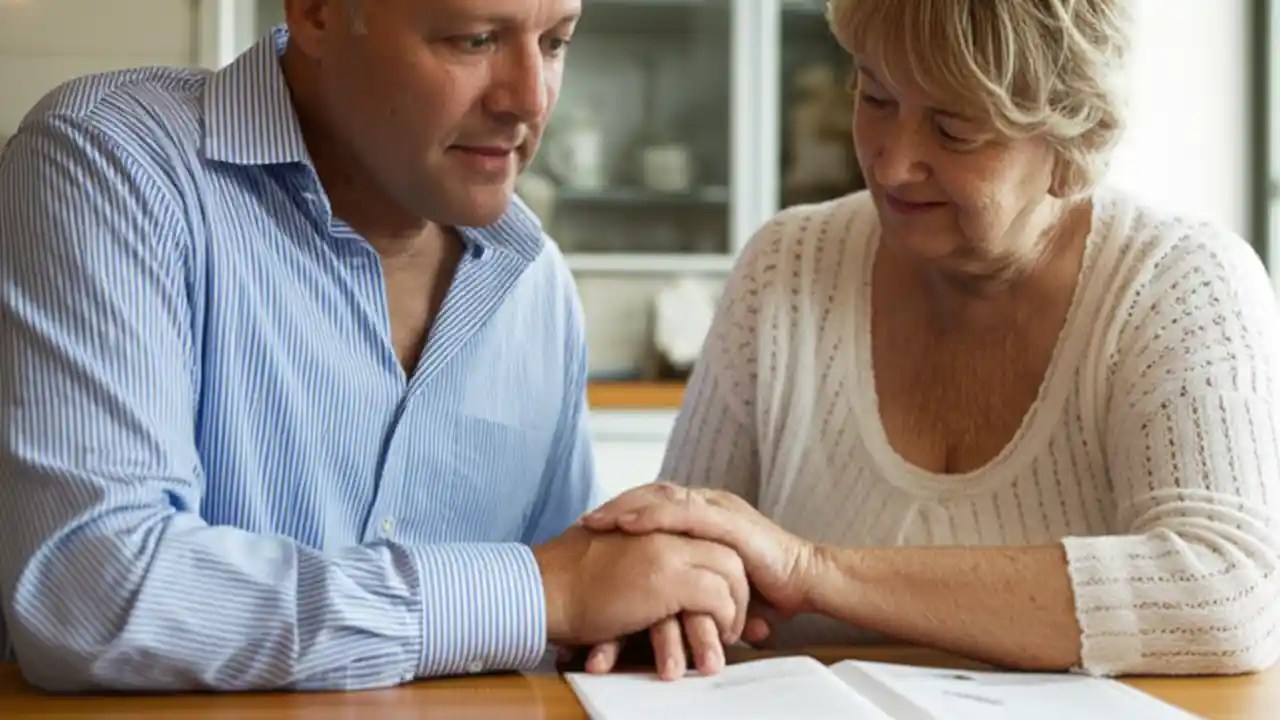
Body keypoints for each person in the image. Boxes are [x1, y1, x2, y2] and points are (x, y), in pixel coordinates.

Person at [0, 0, 745, 691]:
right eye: (475, 39)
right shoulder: (109, 167)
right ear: (319, 11)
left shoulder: (535, 288)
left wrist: (634, 614)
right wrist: (544, 591)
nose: (530, 98)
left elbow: (564, 621)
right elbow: (89, 592)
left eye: (554, 43)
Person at [584, 0, 1280, 677]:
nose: (891, 165)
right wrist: (666, 601)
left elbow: (1229, 593)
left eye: (954, 130)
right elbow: (680, 555)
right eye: (875, 96)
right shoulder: (785, 266)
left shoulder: (1179, 282)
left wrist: (812, 572)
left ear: (1071, 139)